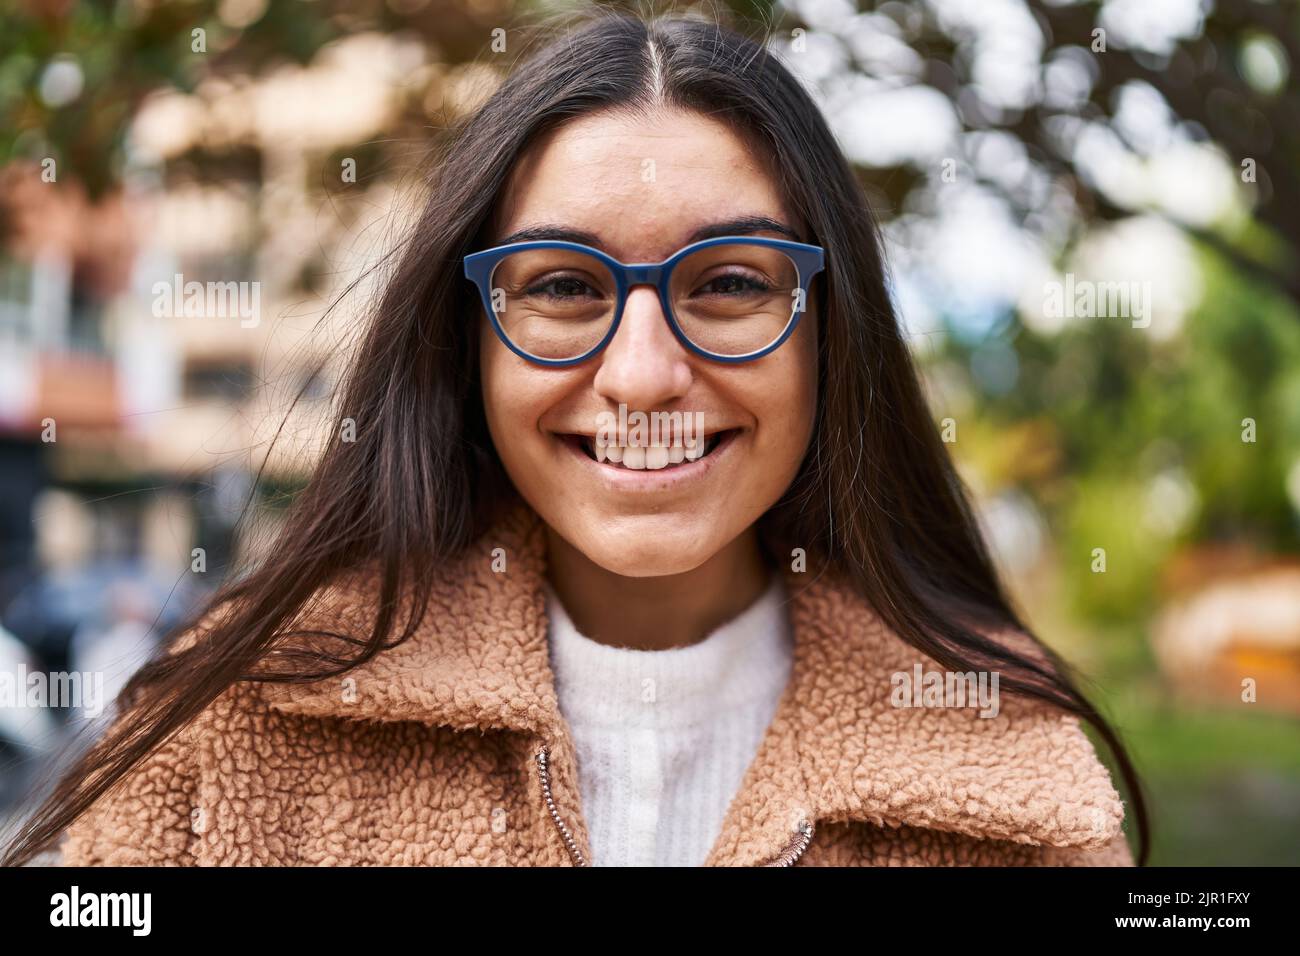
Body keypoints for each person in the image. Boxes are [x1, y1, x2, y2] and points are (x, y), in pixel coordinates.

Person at [1, 8, 1145, 867]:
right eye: (559, 285)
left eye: (732, 282)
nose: (643, 371)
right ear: (468, 339)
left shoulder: (1016, 780)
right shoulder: (224, 730)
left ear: (828, 337)